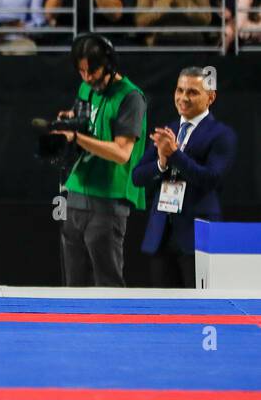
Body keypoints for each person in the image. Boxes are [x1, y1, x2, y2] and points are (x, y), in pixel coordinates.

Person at [52, 34, 148, 287]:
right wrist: (70, 120)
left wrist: (77, 138)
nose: (87, 77)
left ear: (109, 64)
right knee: (73, 281)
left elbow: (121, 152)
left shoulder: (131, 97)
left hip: (108, 198)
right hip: (77, 192)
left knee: (107, 281)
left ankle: (112, 327)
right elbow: (86, 121)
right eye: (81, 71)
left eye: (92, 70)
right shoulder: (86, 88)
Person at [132, 68, 238, 287]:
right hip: (161, 236)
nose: (183, 98)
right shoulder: (168, 130)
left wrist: (175, 155)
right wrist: (161, 163)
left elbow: (210, 178)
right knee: (163, 313)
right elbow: (137, 177)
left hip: (198, 238)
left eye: (192, 92)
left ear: (211, 97)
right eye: (179, 90)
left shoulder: (222, 134)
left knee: (199, 311)